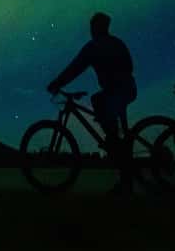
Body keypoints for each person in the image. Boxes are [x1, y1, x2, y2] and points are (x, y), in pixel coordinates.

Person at [47, 12, 137, 193]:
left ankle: (122, 166)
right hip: (127, 88)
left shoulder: (94, 46)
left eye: (92, 27)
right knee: (99, 102)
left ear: (96, 28)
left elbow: (75, 68)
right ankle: (116, 144)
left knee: (109, 127)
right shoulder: (117, 42)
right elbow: (129, 66)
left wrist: (56, 83)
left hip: (116, 92)